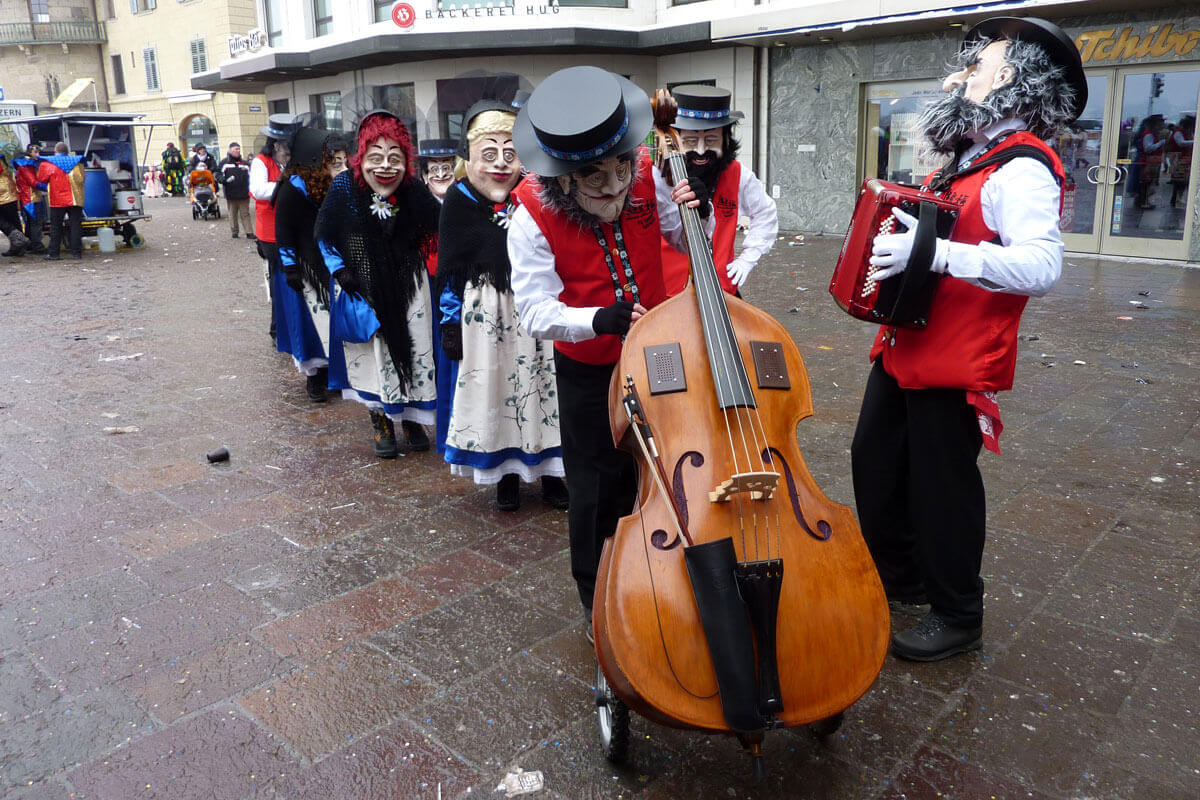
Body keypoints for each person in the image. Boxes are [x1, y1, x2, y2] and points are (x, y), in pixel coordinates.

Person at [850, 16, 1084, 662]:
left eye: (975, 67)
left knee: (942, 489)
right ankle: (902, 580)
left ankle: (959, 613)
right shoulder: (968, 158)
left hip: (956, 361)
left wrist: (941, 255)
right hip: (905, 347)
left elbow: (1043, 267)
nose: (958, 75)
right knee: (875, 465)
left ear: (1008, 79)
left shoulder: (1025, 167)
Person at [508, 66, 698, 637]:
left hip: (660, 352)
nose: (616, 188)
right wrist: (596, 319)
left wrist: (697, 208)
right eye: (597, 179)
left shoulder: (646, 174)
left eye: (622, 171)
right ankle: (597, 599)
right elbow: (534, 311)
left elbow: (683, 239)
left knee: (673, 463)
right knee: (595, 485)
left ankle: (671, 570)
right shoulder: (529, 216)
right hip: (589, 369)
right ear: (564, 179)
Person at [438, 101, 568, 511]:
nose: (499, 164)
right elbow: (451, 268)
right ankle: (506, 476)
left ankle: (551, 474)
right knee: (495, 388)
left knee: (543, 388)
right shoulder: (458, 201)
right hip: (486, 312)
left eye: (509, 155)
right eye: (488, 154)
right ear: (470, 158)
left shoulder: (536, 194)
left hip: (535, 304)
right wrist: (448, 320)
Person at [316, 109, 440, 458]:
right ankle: (380, 419)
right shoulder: (344, 187)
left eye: (394, 158)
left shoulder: (414, 188)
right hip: (362, 284)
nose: (385, 166)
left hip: (409, 286)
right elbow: (324, 234)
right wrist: (339, 268)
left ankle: (410, 416)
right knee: (374, 355)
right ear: (361, 158)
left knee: (413, 350)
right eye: (375, 157)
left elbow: (440, 227)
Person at [655, 84, 778, 296]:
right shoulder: (656, 178)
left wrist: (747, 258)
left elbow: (765, 213)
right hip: (668, 298)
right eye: (691, 141)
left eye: (711, 140)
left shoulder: (739, 175)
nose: (701, 151)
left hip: (722, 292)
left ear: (725, 140)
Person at [272, 126, 335, 403]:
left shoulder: (323, 179)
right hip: (304, 267)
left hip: (325, 262)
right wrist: (291, 267)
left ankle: (333, 371)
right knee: (311, 325)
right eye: (323, 152)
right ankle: (315, 379)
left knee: (329, 322)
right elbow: (283, 228)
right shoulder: (292, 185)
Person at [417, 136, 458, 454]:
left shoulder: (463, 198)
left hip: (457, 284)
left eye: (446, 167)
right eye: (435, 169)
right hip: (425, 283)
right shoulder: (417, 202)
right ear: (424, 174)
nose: (441, 174)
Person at [251, 114, 298, 340]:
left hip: (291, 225)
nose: (288, 153)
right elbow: (258, 190)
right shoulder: (261, 161)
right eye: (285, 148)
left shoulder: (290, 160)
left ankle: (293, 325)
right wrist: (286, 185)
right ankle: (278, 329)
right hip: (270, 231)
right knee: (279, 278)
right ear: (276, 145)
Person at [36, 142, 86, 261]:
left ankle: (54, 253)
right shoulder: (77, 163)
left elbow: (41, 179)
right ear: (67, 151)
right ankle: (76, 253)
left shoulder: (48, 164)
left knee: (56, 227)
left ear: (55, 151)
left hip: (57, 199)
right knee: (75, 226)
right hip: (75, 199)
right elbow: (82, 179)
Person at [13, 145, 46, 255]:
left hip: (29, 198)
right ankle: (37, 246)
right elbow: (33, 182)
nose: (38, 154)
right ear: (30, 152)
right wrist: (49, 186)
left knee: (31, 223)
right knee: (36, 223)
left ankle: (31, 244)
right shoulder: (26, 165)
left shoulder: (26, 165)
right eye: (36, 151)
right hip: (31, 198)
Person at [217, 142, 254, 238]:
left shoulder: (245, 164)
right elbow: (218, 174)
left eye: (238, 149)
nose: (237, 151)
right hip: (231, 192)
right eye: (235, 149)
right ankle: (234, 232)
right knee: (232, 214)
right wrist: (223, 180)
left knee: (245, 213)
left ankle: (249, 232)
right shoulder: (224, 163)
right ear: (230, 150)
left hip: (244, 193)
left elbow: (252, 176)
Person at [0, 147, 30, 256]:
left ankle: (19, 240)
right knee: (14, 220)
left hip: (3, 195)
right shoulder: (3, 160)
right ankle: (19, 248)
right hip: (10, 193)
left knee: (4, 221)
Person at [1131, 114, 1166, 209]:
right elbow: (1148, 148)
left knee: (1148, 183)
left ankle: (1142, 201)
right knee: (1145, 183)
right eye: (1160, 124)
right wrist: (1160, 143)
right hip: (1147, 162)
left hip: (1151, 162)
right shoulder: (1149, 134)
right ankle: (1143, 202)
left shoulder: (1152, 134)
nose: (1162, 126)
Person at [1166, 114, 1194, 209]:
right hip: (1178, 158)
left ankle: (1178, 199)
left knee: (1183, 181)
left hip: (1185, 159)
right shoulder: (1178, 133)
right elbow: (1181, 143)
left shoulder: (1186, 133)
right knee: (1179, 181)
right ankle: (1175, 200)